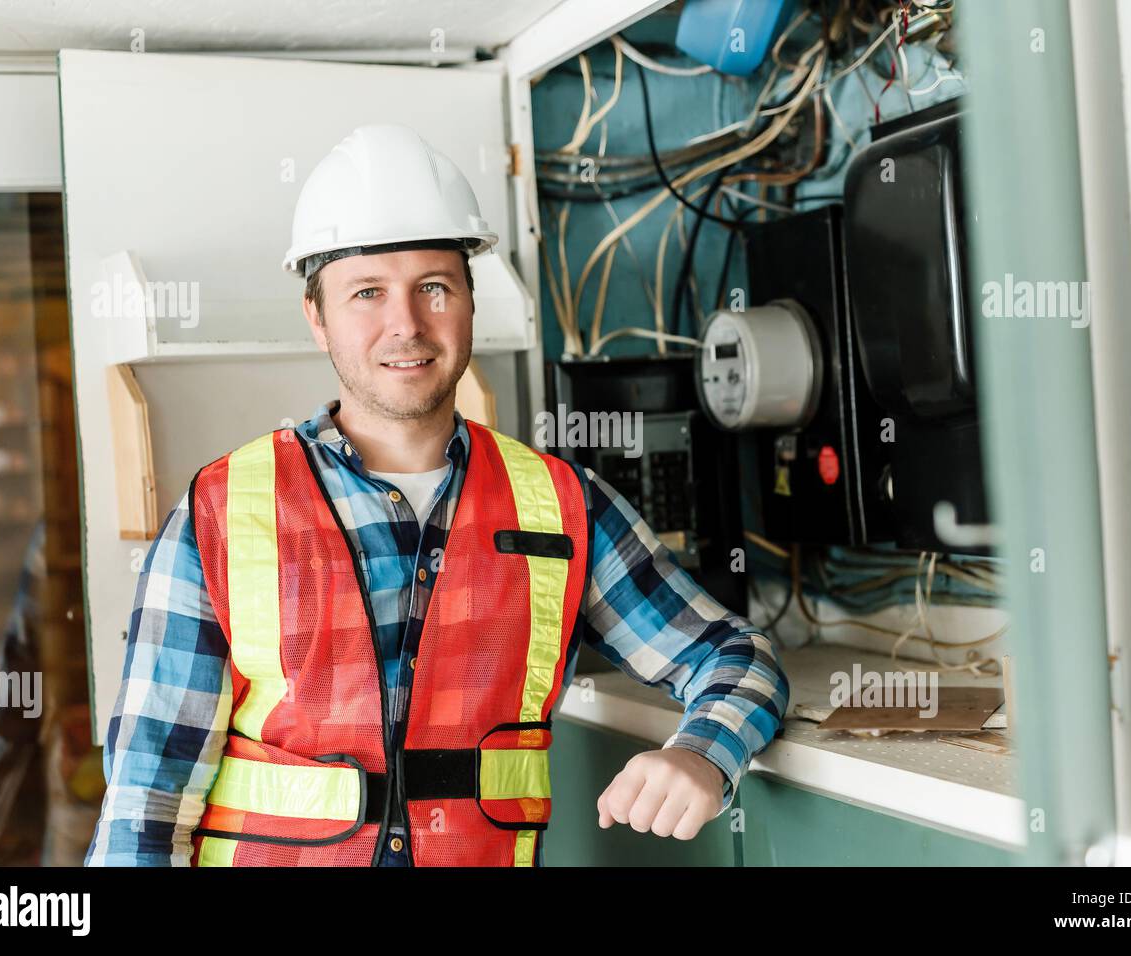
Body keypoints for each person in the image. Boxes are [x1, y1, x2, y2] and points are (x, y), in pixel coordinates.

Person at [85, 124, 789, 867]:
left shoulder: (560, 505)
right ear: (316, 317)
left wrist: (703, 755)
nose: (407, 325)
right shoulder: (221, 512)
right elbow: (147, 801)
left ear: (469, 304)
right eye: (367, 293)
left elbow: (736, 656)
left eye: (434, 287)